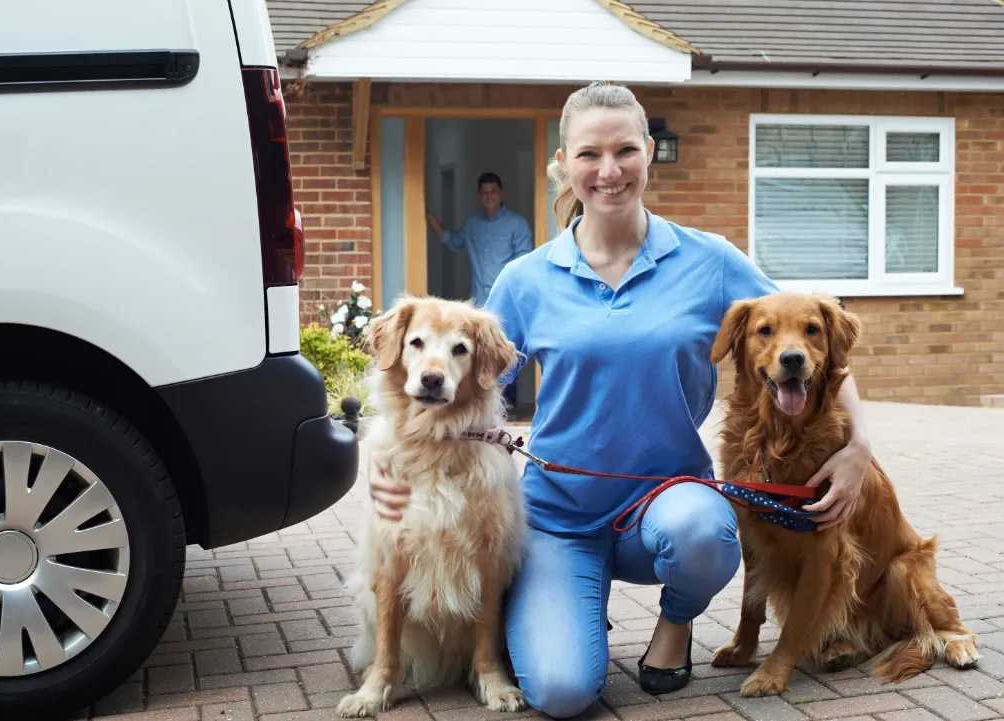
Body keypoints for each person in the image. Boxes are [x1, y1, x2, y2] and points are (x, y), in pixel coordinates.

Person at [369, 82, 873, 717]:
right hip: (556, 514)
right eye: (589, 155)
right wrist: (381, 455)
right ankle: (574, 606)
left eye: (625, 151)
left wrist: (859, 447)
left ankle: (676, 622)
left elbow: (814, 344)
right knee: (559, 691)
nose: (608, 171)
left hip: (667, 500)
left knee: (704, 533)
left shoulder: (707, 261)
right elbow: (451, 380)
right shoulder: (526, 279)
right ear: (564, 163)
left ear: (650, 153)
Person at [427, 171, 533, 413]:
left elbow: (524, 262)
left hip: (508, 301)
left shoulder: (517, 225)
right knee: (479, 355)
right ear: (479, 195)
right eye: (484, 192)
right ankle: (481, 408)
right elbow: (451, 241)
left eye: (493, 191)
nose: (489, 196)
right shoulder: (472, 224)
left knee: (505, 352)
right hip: (479, 304)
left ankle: (509, 408)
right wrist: (428, 216)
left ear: (501, 192)